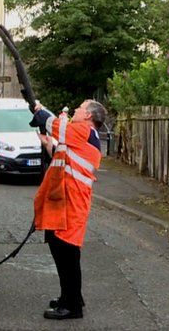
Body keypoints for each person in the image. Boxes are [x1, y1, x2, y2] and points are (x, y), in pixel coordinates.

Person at [30, 99, 106, 320]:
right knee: (61, 250)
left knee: (67, 254)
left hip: (72, 204)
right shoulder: (82, 135)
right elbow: (66, 155)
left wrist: (40, 111)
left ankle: (72, 307)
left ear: (89, 116)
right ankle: (70, 297)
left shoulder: (83, 130)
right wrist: (48, 145)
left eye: (80, 108)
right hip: (68, 202)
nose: (75, 110)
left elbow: (58, 126)